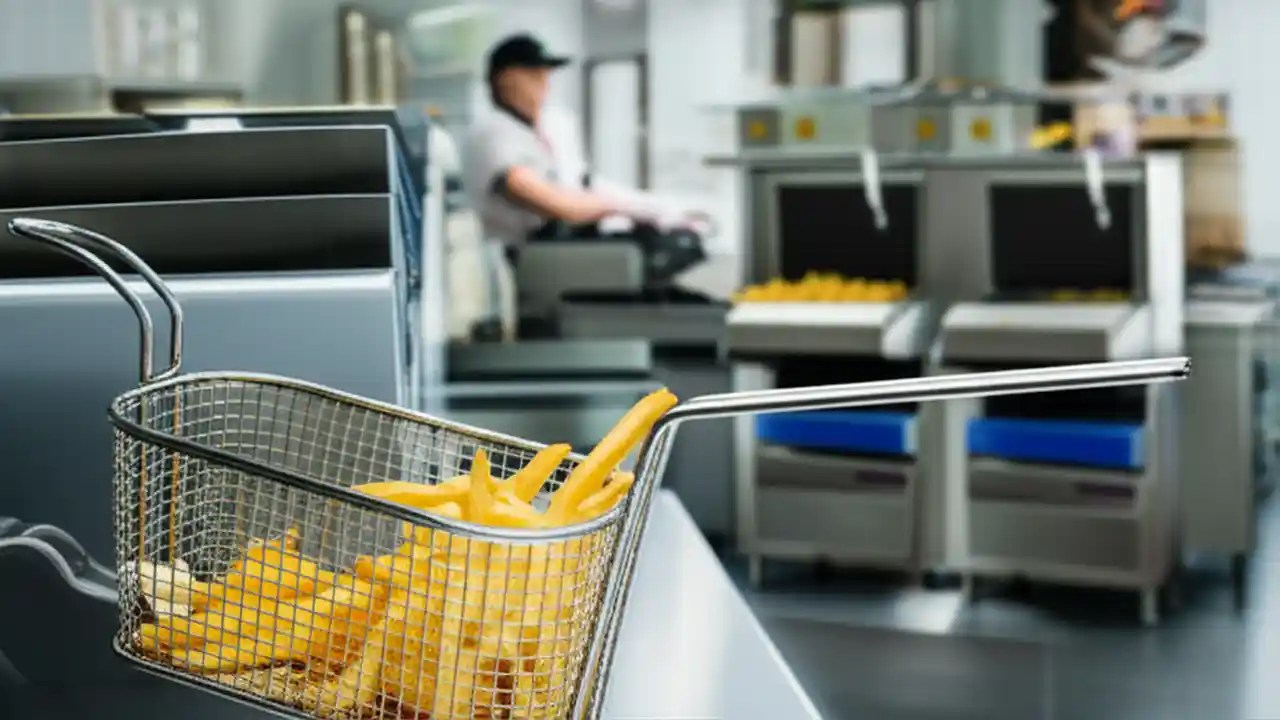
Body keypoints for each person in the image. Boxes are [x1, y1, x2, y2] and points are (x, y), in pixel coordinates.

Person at [464, 33, 705, 254]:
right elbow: (559, 205)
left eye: (546, 76)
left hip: (553, 247)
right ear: (507, 80)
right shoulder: (493, 133)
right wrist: (626, 207)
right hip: (519, 255)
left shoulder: (536, 130)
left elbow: (581, 182)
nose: (545, 85)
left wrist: (656, 206)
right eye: (535, 76)